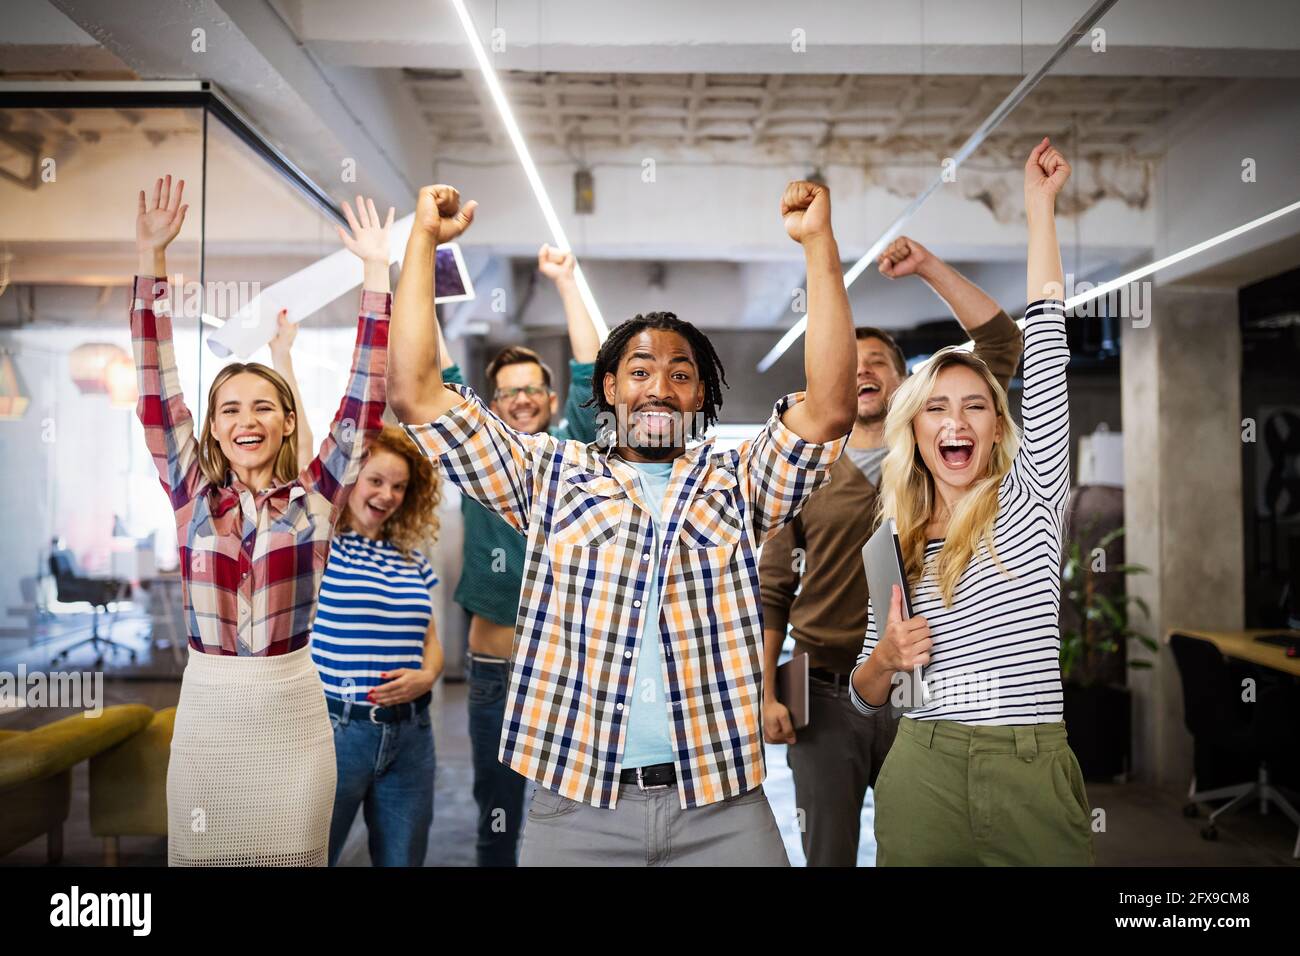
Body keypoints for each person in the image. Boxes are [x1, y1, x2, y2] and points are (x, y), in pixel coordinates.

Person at [387, 179, 856, 866]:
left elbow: (831, 408)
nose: (660, 386)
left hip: (722, 805)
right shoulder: (549, 475)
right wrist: (421, 241)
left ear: (701, 395)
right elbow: (416, 393)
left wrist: (819, 245)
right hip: (576, 806)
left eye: (681, 373)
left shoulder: (735, 481)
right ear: (609, 388)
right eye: (640, 370)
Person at [849, 138, 1094, 866]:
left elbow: (1045, 344)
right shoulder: (893, 532)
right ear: (915, 429)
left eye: (975, 407)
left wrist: (1039, 209)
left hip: (1028, 761)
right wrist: (888, 659)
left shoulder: (1033, 492)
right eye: (936, 410)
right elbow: (866, 693)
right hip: (922, 761)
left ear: (996, 426)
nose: (955, 422)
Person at [131, 178, 390, 866]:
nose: (247, 420)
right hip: (210, 718)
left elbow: (365, 398)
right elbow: (157, 387)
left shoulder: (316, 498)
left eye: (264, 407)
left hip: (292, 723)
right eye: (231, 409)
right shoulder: (190, 494)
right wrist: (153, 260)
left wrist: (375, 273)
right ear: (212, 428)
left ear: (285, 423)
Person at [759, 235, 1024, 867]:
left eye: (877, 360)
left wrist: (930, 266)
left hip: (926, 686)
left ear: (903, 380)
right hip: (818, 684)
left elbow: (1002, 348)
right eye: (846, 361)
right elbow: (771, 589)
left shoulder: (937, 458)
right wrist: (768, 690)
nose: (861, 370)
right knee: (828, 852)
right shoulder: (798, 468)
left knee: (922, 850)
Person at [437, 243, 602, 867]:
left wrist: (565, 281)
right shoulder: (478, 457)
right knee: (498, 816)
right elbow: (440, 378)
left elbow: (591, 369)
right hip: (495, 673)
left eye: (534, 388)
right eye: (508, 391)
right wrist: (425, 291)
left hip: (572, 675)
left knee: (574, 820)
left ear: (552, 401)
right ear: (493, 403)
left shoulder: (576, 455)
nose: (523, 399)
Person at [309, 423, 445, 867]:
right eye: (376, 481)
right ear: (350, 479)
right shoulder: (320, 546)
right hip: (338, 732)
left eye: (399, 487)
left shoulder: (413, 560)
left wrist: (427, 676)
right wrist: (283, 354)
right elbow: (308, 456)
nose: (387, 495)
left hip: (412, 736)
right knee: (313, 857)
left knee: (404, 860)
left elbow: (432, 643)